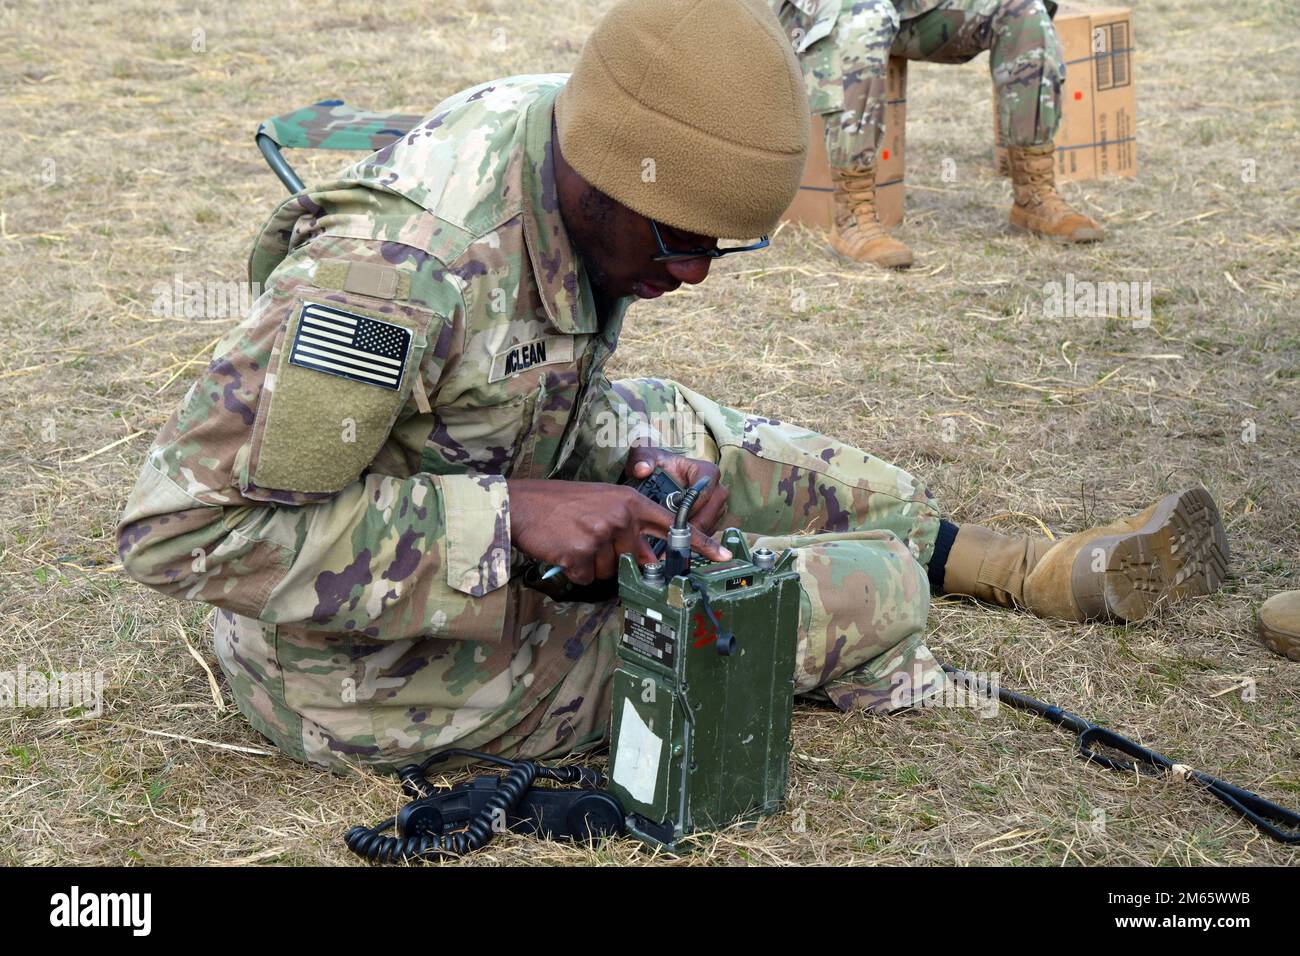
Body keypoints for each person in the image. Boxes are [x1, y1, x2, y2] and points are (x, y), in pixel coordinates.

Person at [117, 0, 1225, 773]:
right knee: (864, 592)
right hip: (353, 673)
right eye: (678, 238)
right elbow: (179, 532)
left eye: (717, 245)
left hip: (473, 462)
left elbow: (521, 374)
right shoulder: (386, 283)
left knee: (702, 439)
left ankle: (1015, 565)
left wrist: (624, 470)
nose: (690, 272)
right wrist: (511, 522)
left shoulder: (578, 129)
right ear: (597, 173)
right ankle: (914, 595)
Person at [773, 0, 1103, 268]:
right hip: (825, 11)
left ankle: (1034, 196)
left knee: (1023, 12)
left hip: (911, 9)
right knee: (866, 20)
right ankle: (852, 218)